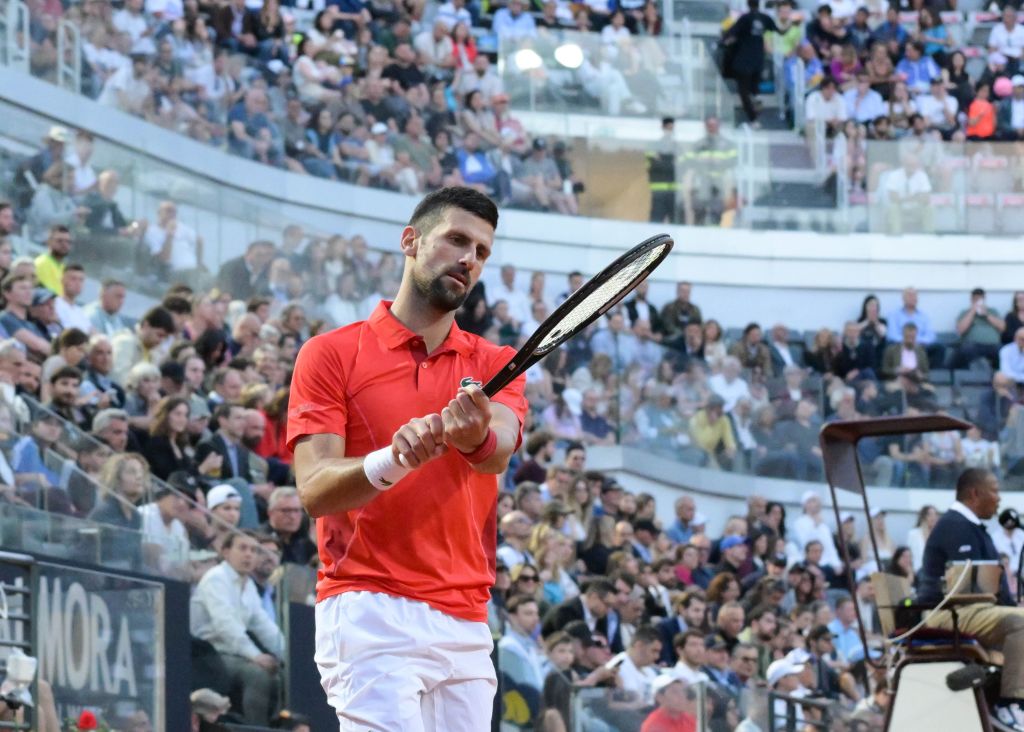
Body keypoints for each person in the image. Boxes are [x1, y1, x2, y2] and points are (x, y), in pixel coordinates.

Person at [288, 188, 528, 729]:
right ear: (411, 241)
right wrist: (392, 459)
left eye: (483, 252)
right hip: (368, 605)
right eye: (457, 240)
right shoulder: (329, 354)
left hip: (466, 620)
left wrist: (472, 439)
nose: (469, 259)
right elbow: (315, 489)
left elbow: (500, 449)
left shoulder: (495, 362)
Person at [919, 468, 1024, 727]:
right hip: (944, 612)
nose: (999, 499)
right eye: (995, 491)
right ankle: (1011, 703)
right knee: (1020, 623)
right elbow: (971, 589)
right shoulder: (955, 526)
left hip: (968, 610)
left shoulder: (972, 527)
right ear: (975, 493)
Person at [190, 530, 285, 725]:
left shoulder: (248, 585)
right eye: (242, 548)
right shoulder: (216, 578)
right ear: (225, 552)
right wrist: (256, 656)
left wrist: (288, 655)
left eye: (254, 550)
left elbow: (265, 627)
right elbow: (226, 627)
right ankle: (256, 729)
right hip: (208, 655)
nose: (249, 554)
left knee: (282, 673)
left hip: (234, 654)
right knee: (258, 674)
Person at [725, 0, 779, 126]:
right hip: (758, 60)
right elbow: (777, 30)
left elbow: (731, 33)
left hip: (743, 60)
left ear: (748, 4)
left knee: (743, 90)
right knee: (753, 88)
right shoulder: (765, 18)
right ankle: (755, 99)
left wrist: (724, 39)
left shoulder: (745, 18)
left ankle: (753, 118)